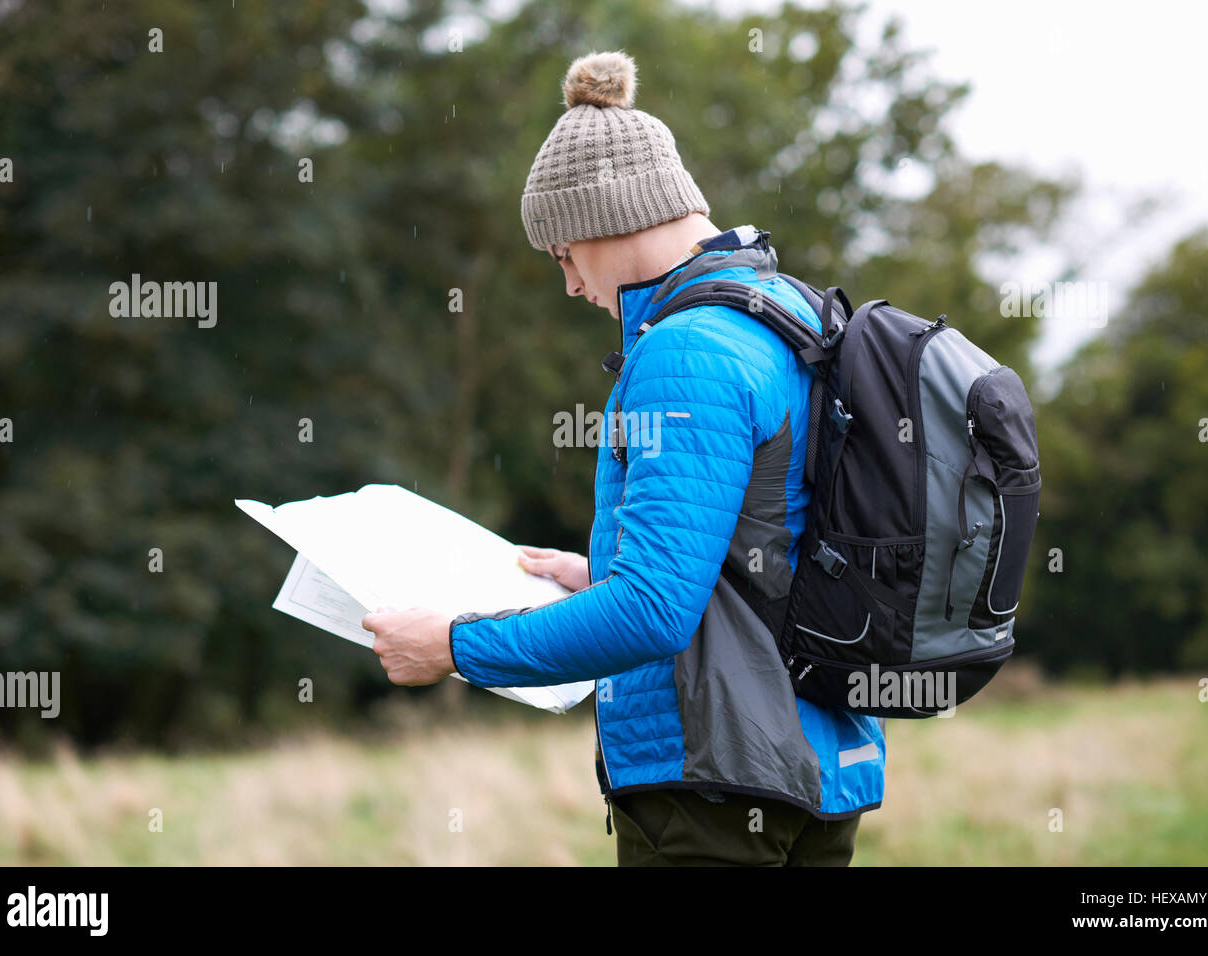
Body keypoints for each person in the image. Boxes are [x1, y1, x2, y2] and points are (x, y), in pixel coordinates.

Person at [361, 50, 884, 866]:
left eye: (564, 255)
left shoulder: (686, 352)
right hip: (811, 765)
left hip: (711, 787)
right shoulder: (789, 313)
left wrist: (454, 646)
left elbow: (650, 614)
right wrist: (604, 565)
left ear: (609, 219)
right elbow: (769, 545)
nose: (569, 286)